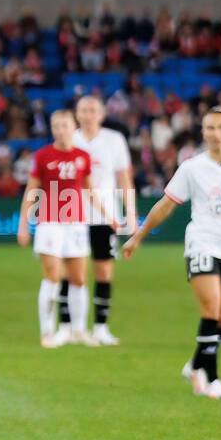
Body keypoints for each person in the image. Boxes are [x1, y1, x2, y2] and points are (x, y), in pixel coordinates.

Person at [122, 108, 221, 400]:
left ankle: (195, 364)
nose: (214, 133)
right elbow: (166, 205)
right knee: (211, 308)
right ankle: (212, 378)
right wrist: (138, 235)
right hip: (203, 243)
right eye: (209, 128)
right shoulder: (192, 167)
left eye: (220, 127)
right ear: (203, 133)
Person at [17, 110, 110, 348]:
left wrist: (108, 215)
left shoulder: (82, 156)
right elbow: (31, 190)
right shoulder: (43, 155)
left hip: (76, 223)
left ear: (73, 126)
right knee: (52, 276)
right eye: (56, 126)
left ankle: (78, 331)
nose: (60, 130)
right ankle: (47, 332)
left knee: (79, 278)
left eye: (64, 125)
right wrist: (23, 225)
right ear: (52, 128)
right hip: (49, 223)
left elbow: (89, 189)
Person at [71, 96, 136, 345]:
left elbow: (124, 178)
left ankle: (100, 327)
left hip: (105, 216)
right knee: (73, 272)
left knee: (104, 271)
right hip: (74, 216)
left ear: (102, 114)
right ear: (77, 114)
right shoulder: (70, 138)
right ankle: (72, 327)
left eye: (93, 110)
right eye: (84, 110)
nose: (88, 114)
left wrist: (129, 211)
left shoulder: (114, 140)